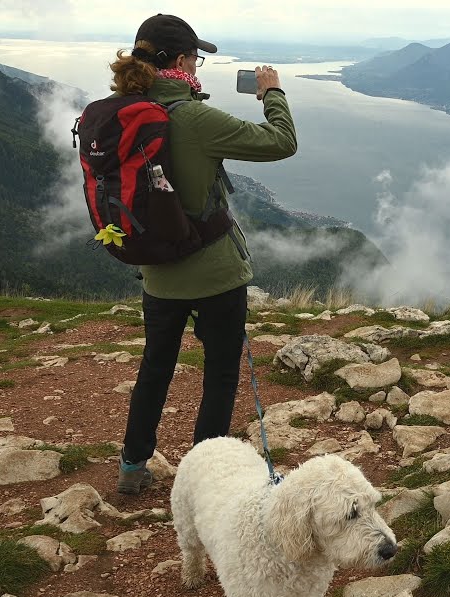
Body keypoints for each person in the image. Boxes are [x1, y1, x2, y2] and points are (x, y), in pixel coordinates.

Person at [111, 14, 297, 495]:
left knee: (155, 367)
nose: (199, 66)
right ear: (179, 61)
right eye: (196, 57)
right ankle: (204, 479)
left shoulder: (123, 112)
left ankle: (131, 466)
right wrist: (271, 92)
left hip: (157, 272)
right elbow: (282, 142)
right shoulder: (193, 117)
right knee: (219, 373)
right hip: (215, 272)